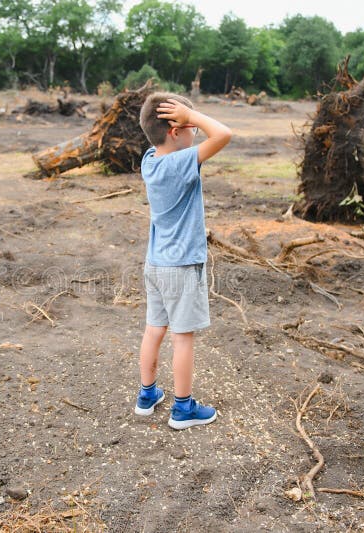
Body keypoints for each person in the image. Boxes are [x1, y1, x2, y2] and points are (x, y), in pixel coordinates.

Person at [134, 92, 232, 429]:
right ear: (175, 131)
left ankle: (147, 396)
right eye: (189, 127)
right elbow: (223, 134)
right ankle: (183, 409)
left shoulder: (150, 159)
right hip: (181, 267)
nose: (195, 131)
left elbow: (161, 136)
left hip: (156, 265)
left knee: (154, 329)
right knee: (183, 337)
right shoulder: (180, 163)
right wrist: (192, 113)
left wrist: (185, 116)